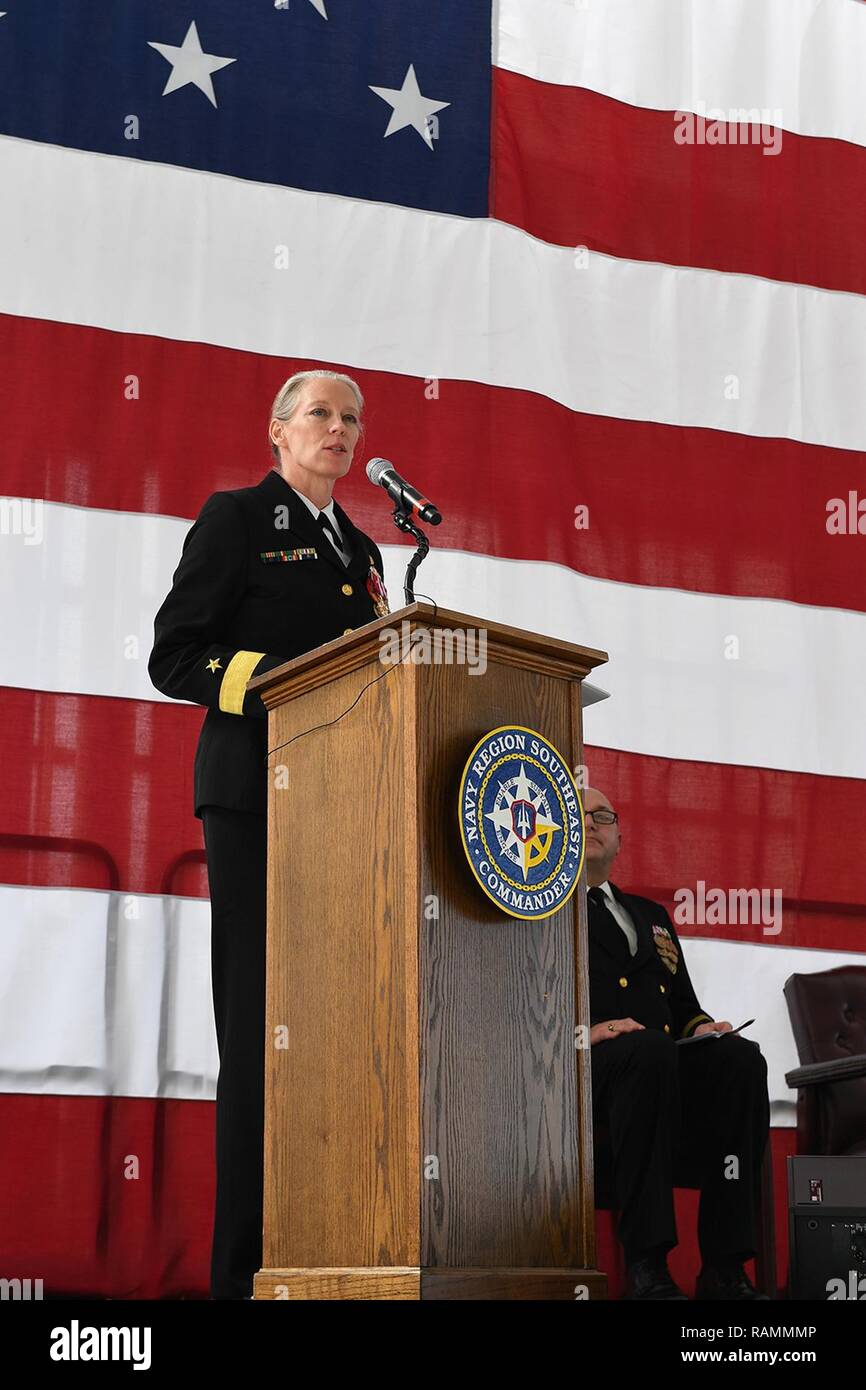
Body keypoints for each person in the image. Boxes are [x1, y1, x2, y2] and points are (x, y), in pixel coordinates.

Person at [148, 370, 389, 1299]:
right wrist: (286, 679)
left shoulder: (363, 549)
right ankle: (244, 1274)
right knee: (261, 1033)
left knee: (337, 1035)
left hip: (349, 810)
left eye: (352, 418)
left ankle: (333, 1258)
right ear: (278, 434)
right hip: (258, 795)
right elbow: (175, 652)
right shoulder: (238, 518)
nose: (340, 428)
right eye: (321, 414)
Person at [584, 786, 771, 1301]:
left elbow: (683, 1007)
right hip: (587, 1073)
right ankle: (647, 1263)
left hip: (662, 1068)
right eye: (576, 814)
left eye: (603, 815)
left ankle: (725, 1267)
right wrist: (582, 1031)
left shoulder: (651, 915)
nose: (592, 822)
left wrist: (703, 1028)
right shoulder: (538, 908)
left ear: (621, 835)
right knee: (647, 1052)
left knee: (738, 1059)